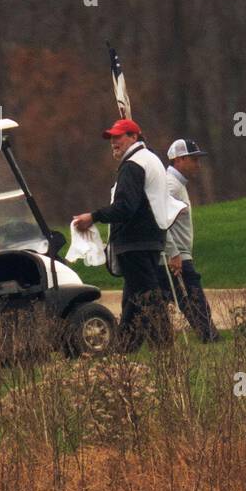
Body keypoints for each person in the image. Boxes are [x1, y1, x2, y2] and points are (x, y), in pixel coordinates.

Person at [72, 118, 179, 352]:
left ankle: (165, 348)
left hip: (135, 242)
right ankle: (124, 350)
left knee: (148, 297)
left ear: (134, 137)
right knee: (133, 300)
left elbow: (125, 207)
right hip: (151, 239)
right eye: (111, 138)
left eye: (118, 137)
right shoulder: (151, 159)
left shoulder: (132, 165)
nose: (113, 142)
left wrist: (94, 216)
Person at [163, 138, 220, 342]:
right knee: (196, 301)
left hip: (177, 255)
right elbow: (159, 220)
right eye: (194, 159)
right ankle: (211, 339)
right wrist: (174, 253)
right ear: (180, 160)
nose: (198, 164)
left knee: (161, 303)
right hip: (177, 257)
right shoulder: (170, 185)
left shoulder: (177, 184)